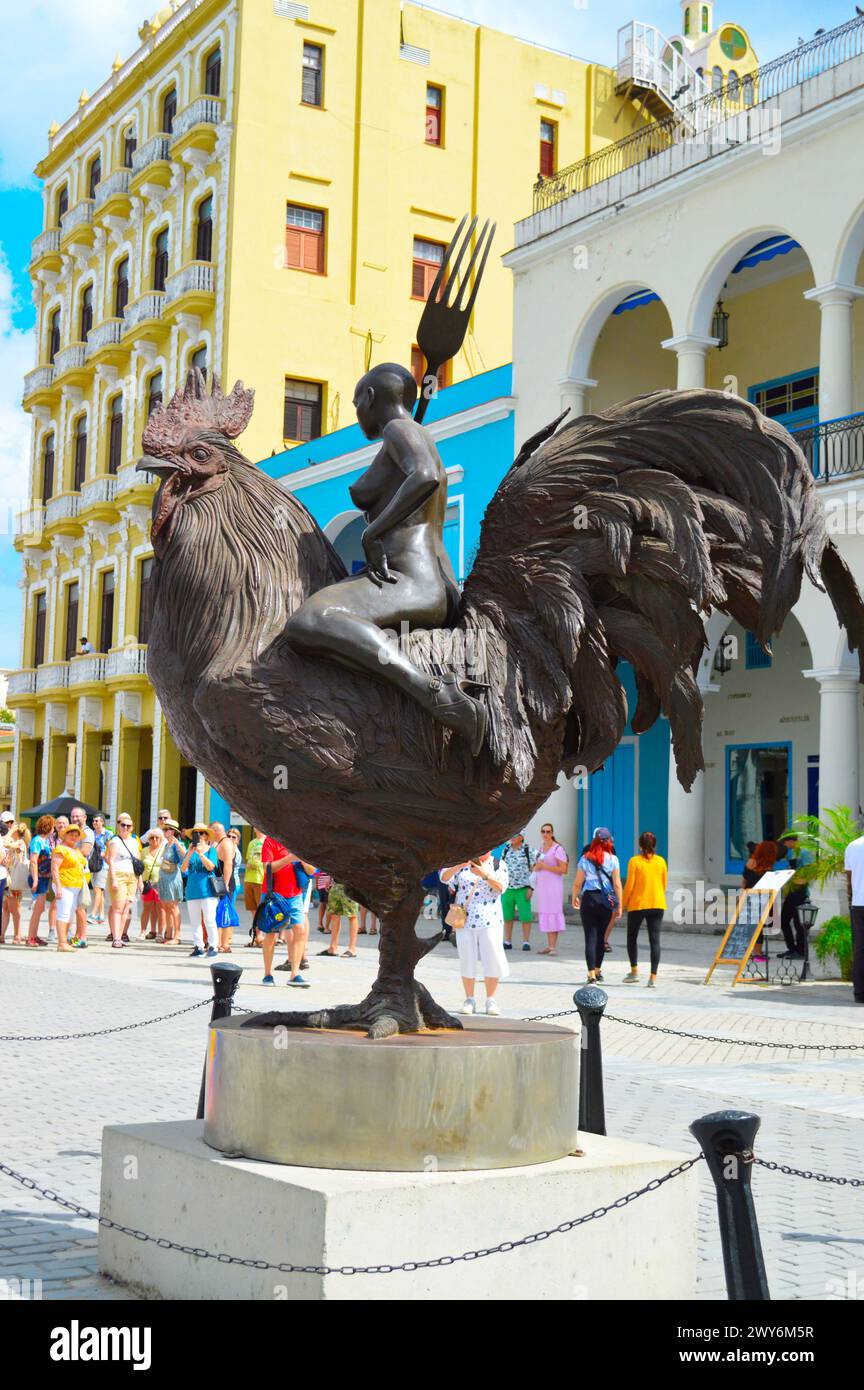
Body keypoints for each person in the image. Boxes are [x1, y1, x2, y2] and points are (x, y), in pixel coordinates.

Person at [284, 362, 485, 753]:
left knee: (313, 618)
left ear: (370, 398)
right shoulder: (402, 438)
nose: (357, 411)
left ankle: (436, 694)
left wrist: (372, 532)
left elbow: (424, 475)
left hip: (415, 581)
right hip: (426, 582)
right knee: (321, 630)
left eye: (357, 401)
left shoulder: (400, 429)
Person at [440, 851, 509, 1016]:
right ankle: (469, 998)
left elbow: (501, 888)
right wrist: (458, 864)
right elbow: (444, 878)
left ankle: (491, 999)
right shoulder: (464, 863)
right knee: (467, 958)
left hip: (490, 920)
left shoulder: (498, 864)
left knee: (491, 958)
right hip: (465, 920)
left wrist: (484, 875)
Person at [259, 836, 314, 984]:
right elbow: (267, 868)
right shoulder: (270, 841)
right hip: (274, 895)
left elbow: (311, 870)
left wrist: (301, 858)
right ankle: (267, 974)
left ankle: (294, 974)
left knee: (300, 930)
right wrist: (290, 857)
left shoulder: (299, 842)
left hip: (295, 894)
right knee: (271, 933)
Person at [572, 827, 622, 984]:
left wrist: (575, 897)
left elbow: (577, 883)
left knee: (590, 937)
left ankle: (591, 974)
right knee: (601, 938)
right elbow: (617, 884)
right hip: (606, 898)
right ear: (608, 842)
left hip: (590, 898)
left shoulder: (585, 858)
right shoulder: (613, 859)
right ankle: (599, 970)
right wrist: (619, 905)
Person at [621, 831, 668, 988]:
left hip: (638, 904)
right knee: (655, 940)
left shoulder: (634, 861)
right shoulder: (661, 861)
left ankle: (634, 971)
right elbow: (664, 884)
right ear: (654, 845)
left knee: (632, 937)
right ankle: (653, 977)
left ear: (640, 846)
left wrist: (623, 902)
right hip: (657, 903)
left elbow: (629, 885)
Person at [182, 824, 219, 958]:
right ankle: (199, 946)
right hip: (192, 890)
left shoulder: (211, 850)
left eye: (202, 833)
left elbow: (211, 867)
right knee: (195, 921)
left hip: (208, 890)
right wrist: (191, 852)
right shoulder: (189, 850)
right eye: (196, 833)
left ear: (206, 836)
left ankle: (213, 946)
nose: (199, 836)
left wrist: (200, 853)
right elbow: (183, 868)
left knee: (209, 919)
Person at [51, 824, 89, 954]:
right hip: (64, 884)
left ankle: (64, 941)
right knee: (64, 913)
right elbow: (55, 868)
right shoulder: (61, 849)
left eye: (76, 835)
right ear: (65, 835)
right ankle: (61, 943)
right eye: (71, 834)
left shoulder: (77, 851)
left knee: (70, 914)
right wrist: (59, 887)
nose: (73, 837)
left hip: (76, 886)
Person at [106, 814, 143, 948]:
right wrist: (114, 879)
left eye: (128, 826)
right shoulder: (115, 841)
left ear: (132, 828)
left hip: (132, 876)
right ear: (118, 826)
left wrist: (140, 881)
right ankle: (116, 938)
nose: (125, 828)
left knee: (127, 907)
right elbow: (110, 860)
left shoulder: (134, 842)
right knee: (118, 908)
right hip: (119, 874)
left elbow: (138, 862)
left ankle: (120, 936)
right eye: (123, 825)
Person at [776, 833, 814, 960]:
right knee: (784, 920)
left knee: (798, 922)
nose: (785, 845)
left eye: (785, 842)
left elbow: (810, 870)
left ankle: (801, 950)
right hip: (791, 890)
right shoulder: (790, 854)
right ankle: (792, 948)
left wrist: (802, 880)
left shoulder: (804, 852)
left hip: (800, 890)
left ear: (792, 841)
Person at [534, 822, 569, 955]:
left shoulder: (558, 849)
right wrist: (536, 867)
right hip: (543, 886)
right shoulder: (540, 848)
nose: (546, 834)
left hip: (554, 885)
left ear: (552, 833)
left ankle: (553, 946)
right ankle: (550, 945)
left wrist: (545, 867)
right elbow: (537, 865)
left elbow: (563, 869)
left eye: (548, 832)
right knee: (546, 912)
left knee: (553, 912)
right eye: (543, 831)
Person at [740, 839, 778, 961]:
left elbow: (744, 880)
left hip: (749, 895)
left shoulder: (751, 862)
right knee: (759, 926)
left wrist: (740, 896)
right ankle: (757, 953)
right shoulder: (768, 866)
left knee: (751, 925)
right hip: (762, 897)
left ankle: (752, 951)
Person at [500, 832, 535, 951]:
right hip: (507, 889)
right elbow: (500, 867)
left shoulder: (527, 850)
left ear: (521, 837)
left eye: (514, 836)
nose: (511, 838)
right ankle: (507, 941)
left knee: (525, 916)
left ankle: (526, 941)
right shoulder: (506, 850)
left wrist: (532, 887)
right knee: (507, 916)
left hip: (523, 888)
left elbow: (536, 868)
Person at [26, 814, 55, 947]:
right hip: (39, 878)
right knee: (38, 909)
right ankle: (31, 937)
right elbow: (33, 860)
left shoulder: (44, 840)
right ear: (48, 827)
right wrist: (36, 880)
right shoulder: (37, 840)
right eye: (53, 826)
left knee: (40, 908)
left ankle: (34, 935)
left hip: (44, 878)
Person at [209, 821, 237, 953]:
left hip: (225, 883)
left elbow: (228, 864)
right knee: (218, 912)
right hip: (219, 882)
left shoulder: (226, 843)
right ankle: (219, 942)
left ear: (216, 831)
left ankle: (225, 944)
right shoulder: (219, 842)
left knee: (224, 912)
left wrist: (225, 884)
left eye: (210, 832)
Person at [69, 805, 94, 945]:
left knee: (80, 907)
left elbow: (84, 851)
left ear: (84, 817)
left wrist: (67, 852)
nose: (75, 818)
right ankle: (77, 936)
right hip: (72, 872)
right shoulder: (73, 831)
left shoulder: (87, 832)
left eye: (78, 816)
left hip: (82, 872)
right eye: (73, 816)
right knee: (76, 907)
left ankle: (83, 937)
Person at [1, 823, 30, 943]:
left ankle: (17, 934)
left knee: (14, 909)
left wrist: (10, 831)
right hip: (9, 879)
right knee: (6, 909)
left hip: (14, 881)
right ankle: (2, 935)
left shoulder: (19, 843)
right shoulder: (15, 842)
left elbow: (4, 843)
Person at [844, 829, 864, 1005]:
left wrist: (851, 899)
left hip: (859, 903)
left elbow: (849, 878)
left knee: (860, 949)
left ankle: (859, 992)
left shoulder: (852, 846)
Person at [156, 819, 184, 942]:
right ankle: (168, 934)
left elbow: (185, 856)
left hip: (172, 877)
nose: (164, 831)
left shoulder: (177, 844)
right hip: (164, 878)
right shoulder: (166, 844)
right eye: (164, 829)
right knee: (166, 907)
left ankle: (176, 936)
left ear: (173, 831)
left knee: (173, 907)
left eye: (167, 829)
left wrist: (177, 844)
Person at [321, 883, 361, 958]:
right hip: (336, 885)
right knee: (334, 915)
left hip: (350, 885)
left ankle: (352, 948)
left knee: (352, 915)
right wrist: (329, 879)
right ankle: (333, 947)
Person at [140, 828, 166, 939]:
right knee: (147, 908)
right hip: (148, 883)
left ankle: (160, 933)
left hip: (161, 883)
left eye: (157, 837)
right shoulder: (144, 851)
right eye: (151, 837)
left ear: (161, 839)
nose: (154, 839)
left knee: (161, 909)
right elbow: (139, 868)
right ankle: (143, 931)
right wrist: (140, 882)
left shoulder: (164, 849)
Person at [87, 814, 111, 929]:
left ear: (102, 822)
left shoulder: (108, 834)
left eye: (97, 821)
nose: (95, 823)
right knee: (99, 891)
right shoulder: (91, 834)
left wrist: (104, 854)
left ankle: (93, 914)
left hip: (103, 865)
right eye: (94, 821)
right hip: (92, 865)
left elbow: (110, 849)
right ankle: (101, 916)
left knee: (97, 889)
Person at [244, 829, 266, 922]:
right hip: (248, 879)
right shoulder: (251, 843)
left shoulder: (267, 842)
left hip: (260, 879)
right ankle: (256, 930)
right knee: (252, 908)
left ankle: (262, 931)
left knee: (261, 908)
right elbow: (248, 859)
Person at [315, 869, 333, 933]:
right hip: (329, 884)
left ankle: (320, 924)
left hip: (321, 883)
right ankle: (327, 928)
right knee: (330, 906)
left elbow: (316, 871)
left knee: (322, 904)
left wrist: (316, 883)